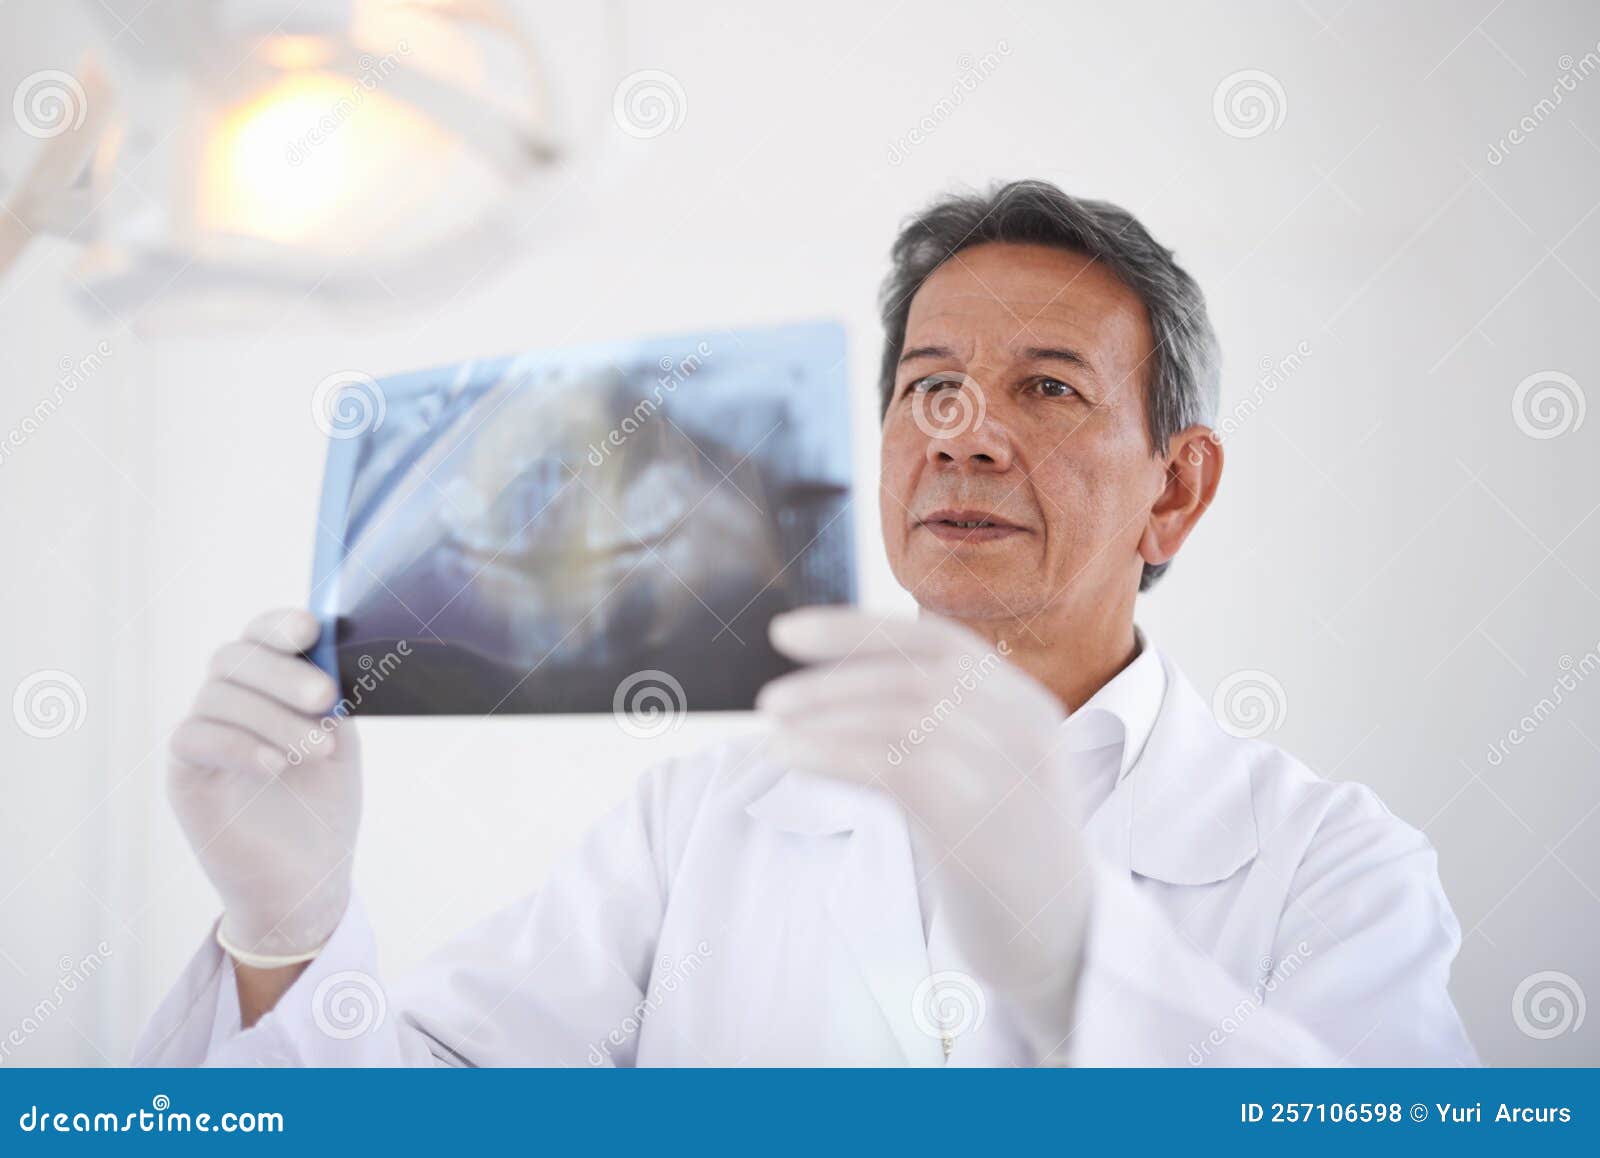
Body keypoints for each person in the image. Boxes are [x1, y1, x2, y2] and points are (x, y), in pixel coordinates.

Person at [136, 180, 1477, 1066]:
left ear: (1174, 490)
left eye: (1050, 388)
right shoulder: (697, 822)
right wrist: (286, 928)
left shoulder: (1333, 868)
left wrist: (1083, 962)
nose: (964, 437)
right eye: (930, 386)